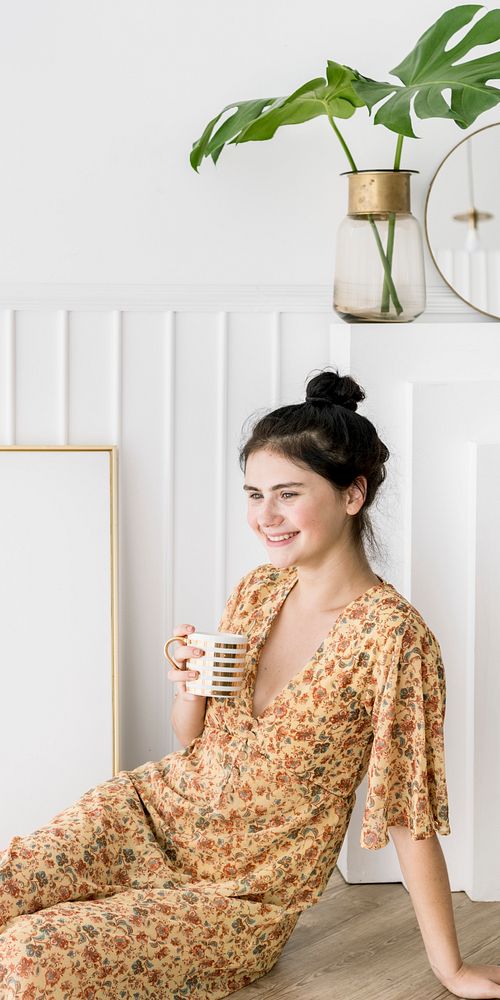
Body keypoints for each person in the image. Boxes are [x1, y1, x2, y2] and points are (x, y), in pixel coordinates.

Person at [1, 368, 499, 999]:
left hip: (239, 896)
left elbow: (407, 816)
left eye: (288, 494)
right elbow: (194, 742)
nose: (265, 516)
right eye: (253, 494)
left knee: (24, 956)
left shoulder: (392, 640)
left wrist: (450, 969)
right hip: (148, 814)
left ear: (353, 494)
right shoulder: (258, 590)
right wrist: (189, 689)